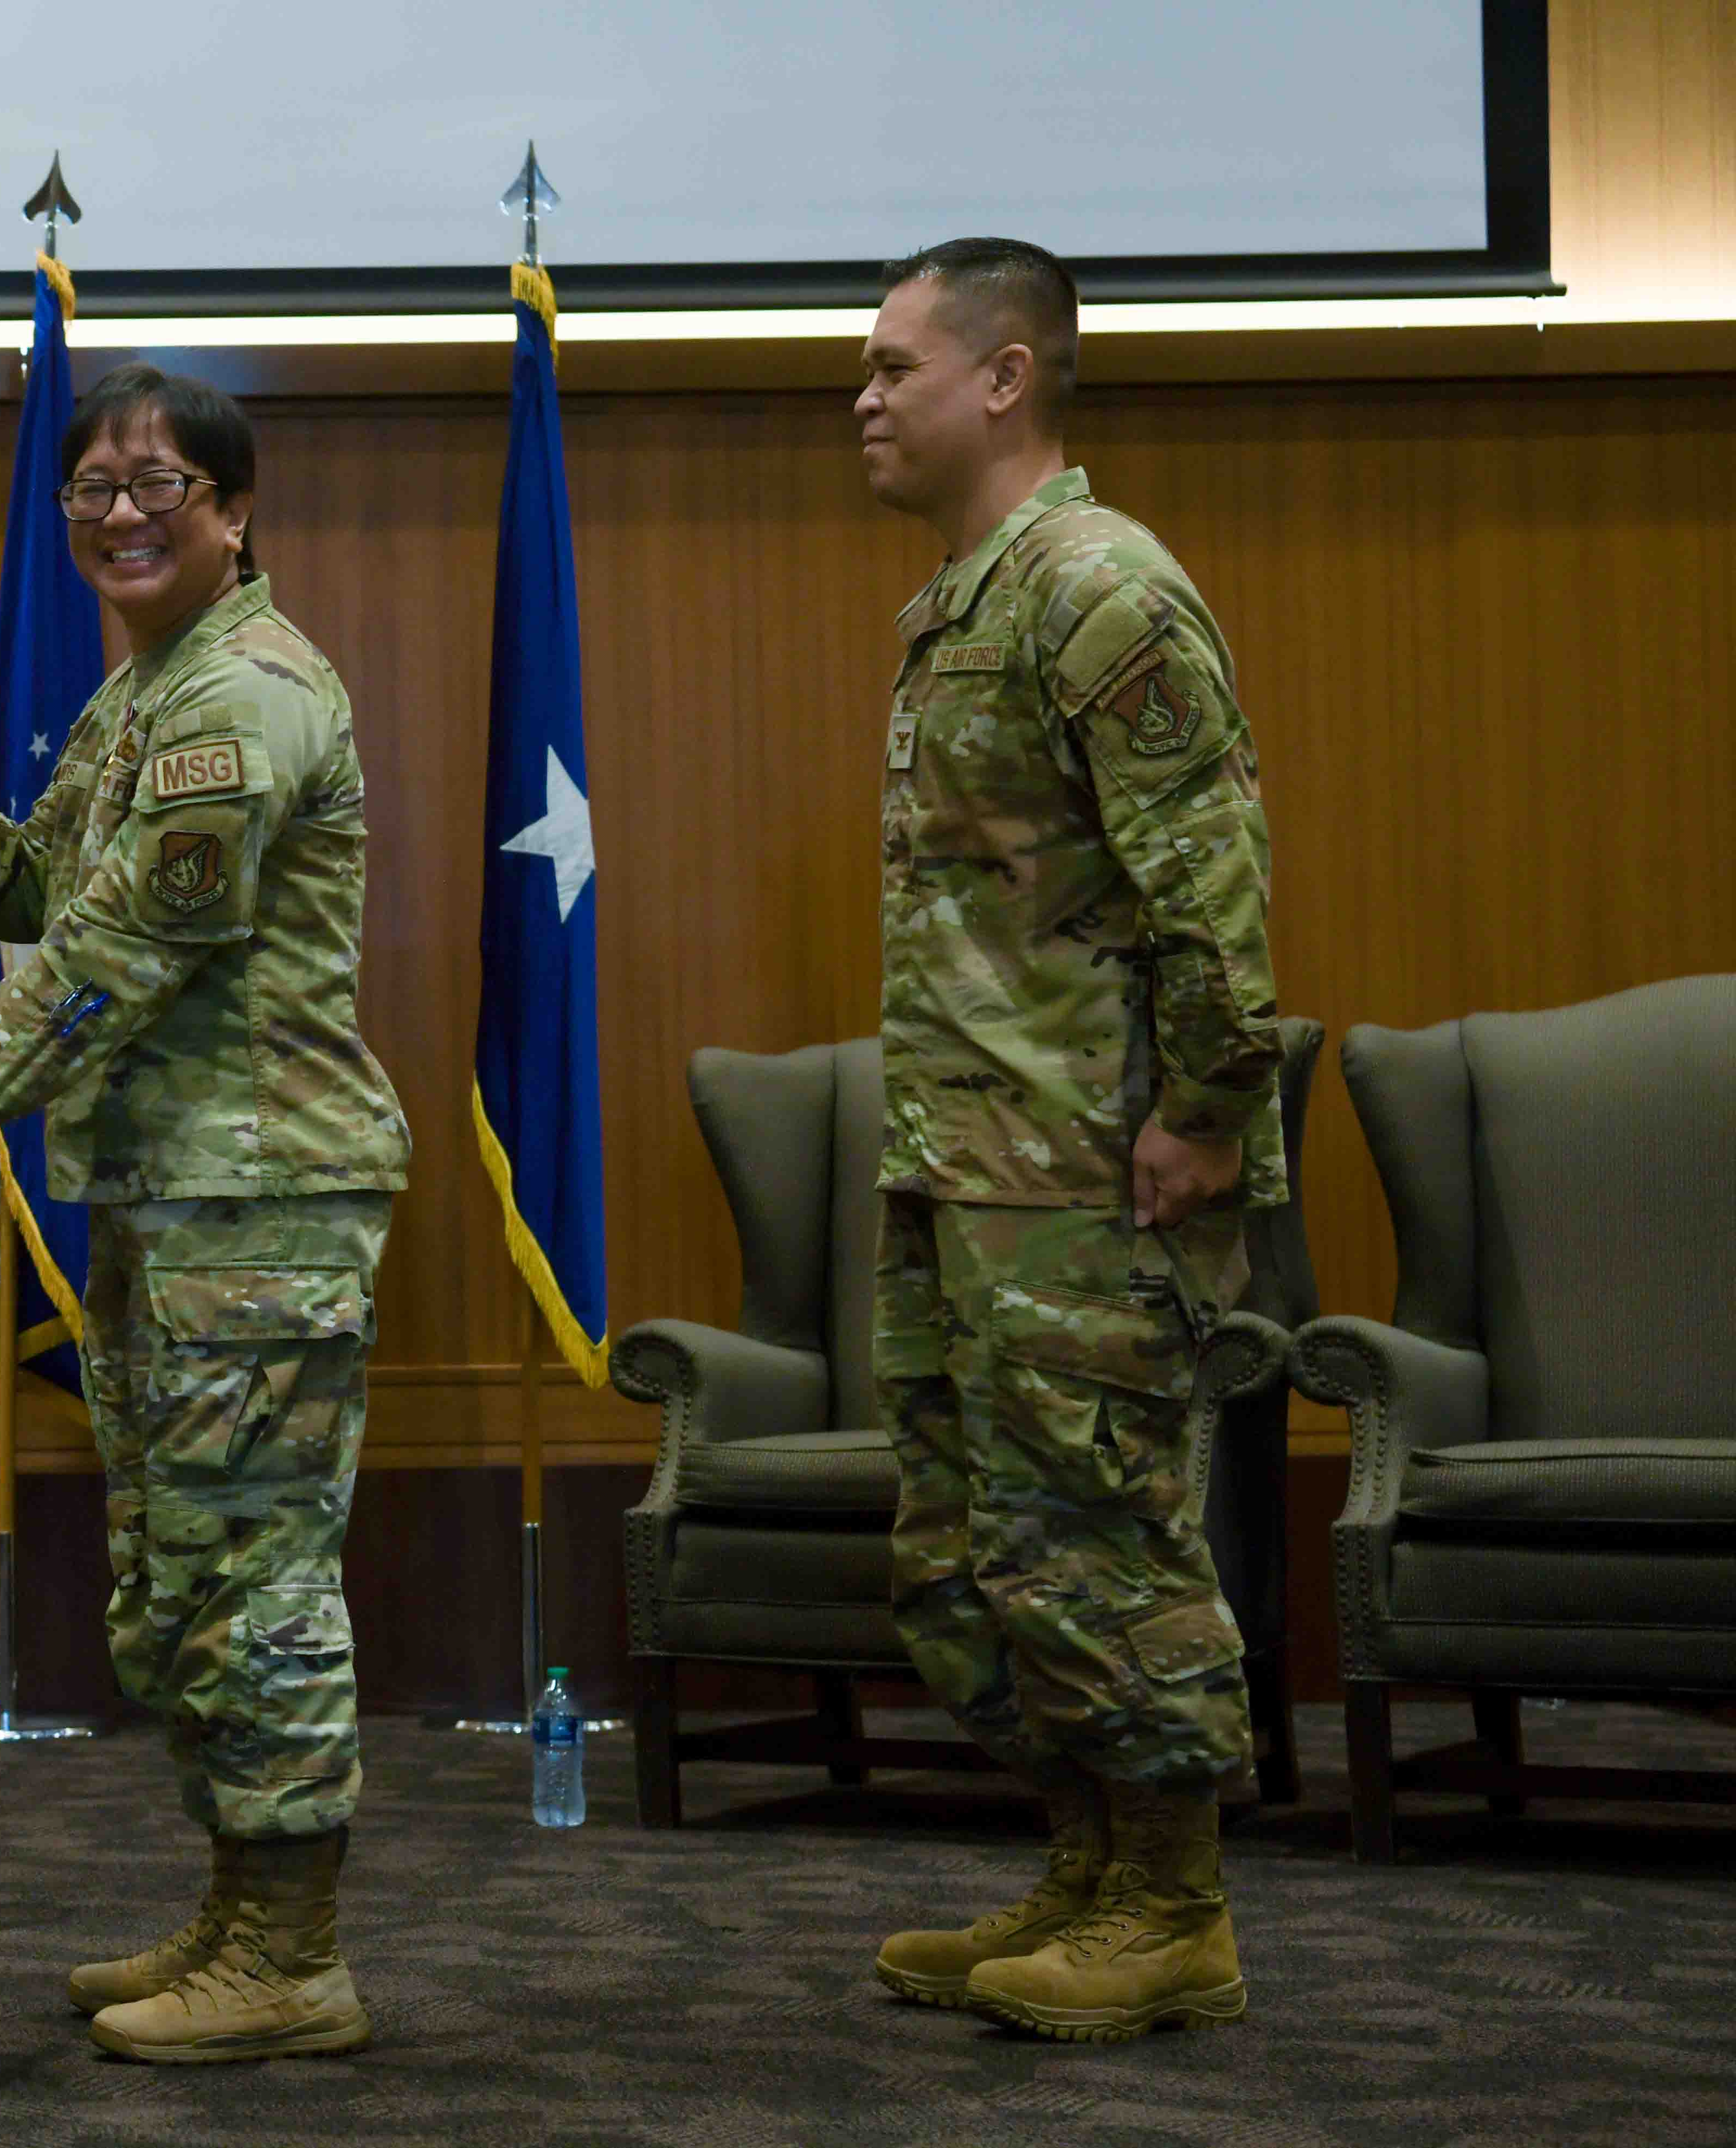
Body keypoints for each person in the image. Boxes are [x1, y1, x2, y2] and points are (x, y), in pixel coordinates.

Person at [0, 364, 410, 2065]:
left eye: (161, 488)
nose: (123, 516)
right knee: (183, 1577)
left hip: (258, 1207)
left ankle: (295, 1953)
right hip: (175, 1202)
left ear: (235, 513)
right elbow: (29, 884)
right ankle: (242, 1909)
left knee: (257, 1584)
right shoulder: (144, 696)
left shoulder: (244, 703)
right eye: (90, 491)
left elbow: (118, 958)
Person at [852, 237, 1284, 2042]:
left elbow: (1209, 889)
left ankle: (1173, 1908)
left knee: (1101, 1534)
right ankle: (1087, 1868)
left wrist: (1197, 1114)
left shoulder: (1101, 591)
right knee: (976, 1546)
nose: (861, 401)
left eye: (891, 367)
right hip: (970, 1164)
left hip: (1090, 1172)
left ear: (1003, 377)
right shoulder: (962, 599)